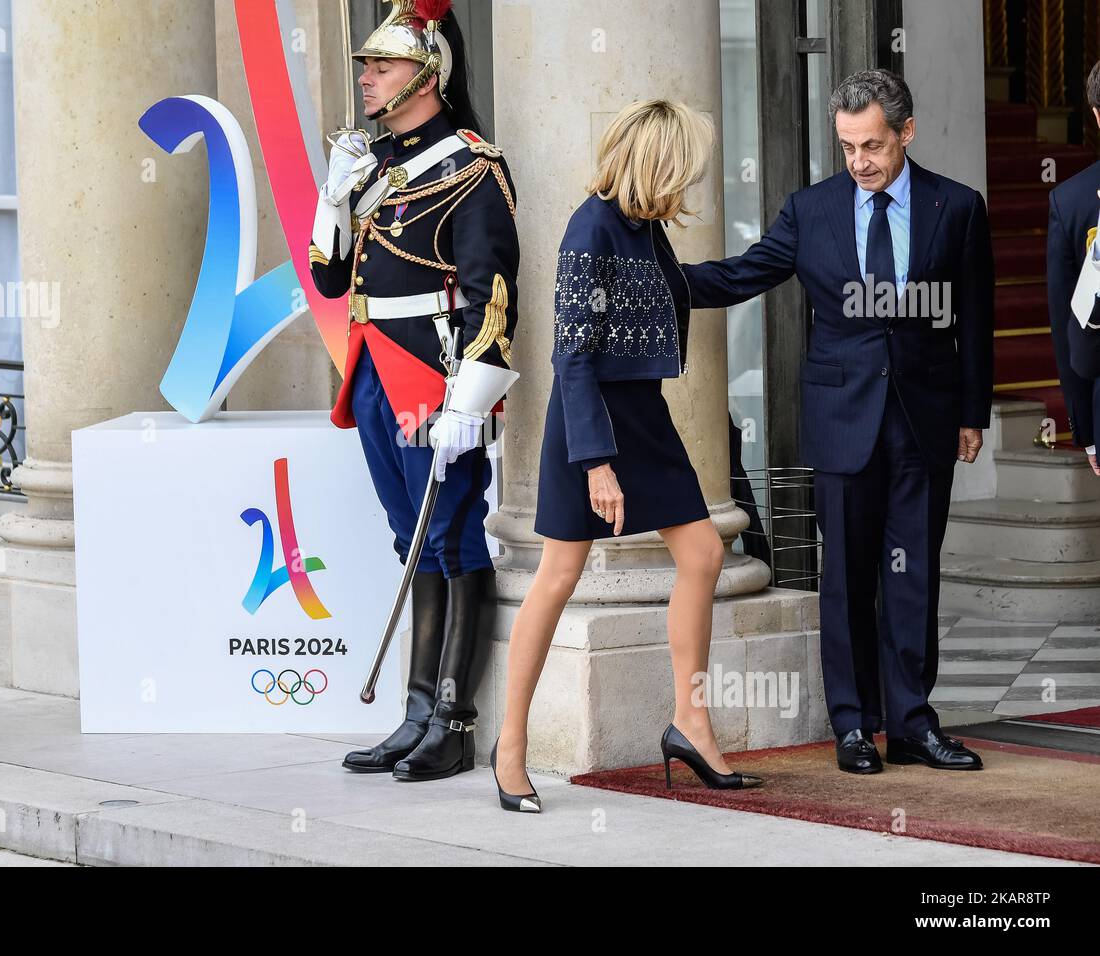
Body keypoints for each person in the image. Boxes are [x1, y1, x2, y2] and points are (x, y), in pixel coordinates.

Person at [683, 69, 993, 774]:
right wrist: (664, 276)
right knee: (848, 573)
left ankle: (913, 722)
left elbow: (975, 319)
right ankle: (853, 724)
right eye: (849, 146)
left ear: (906, 133)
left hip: (925, 418)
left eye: (874, 145)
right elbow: (745, 273)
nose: (861, 161)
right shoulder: (811, 209)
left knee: (913, 573)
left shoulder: (958, 206)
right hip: (842, 418)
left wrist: (973, 411)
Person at [491, 100, 763, 813]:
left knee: (703, 555)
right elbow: (571, 357)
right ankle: (510, 746)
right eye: (682, 172)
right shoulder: (593, 227)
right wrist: (597, 464)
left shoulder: (645, 231)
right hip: (592, 422)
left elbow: (690, 287)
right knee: (558, 574)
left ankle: (690, 723)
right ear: (655, 163)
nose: (688, 186)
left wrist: (785, 256)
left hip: (644, 415)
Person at [308, 0, 519, 781]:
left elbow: (492, 295)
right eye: (364, 65)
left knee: (451, 535)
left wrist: (472, 403)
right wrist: (336, 195)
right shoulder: (377, 163)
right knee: (411, 537)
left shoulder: (471, 169)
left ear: (429, 73)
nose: (366, 77)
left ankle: (456, 720)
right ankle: (416, 710)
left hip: (432, 378)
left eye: (383, 65)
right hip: (370, 368)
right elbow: (331, 280)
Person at [1047, 59, 1100, 476]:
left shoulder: (1071, 200)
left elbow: (1072, 325)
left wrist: (1086, 428)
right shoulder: (1070, 202)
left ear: (1096, 115)